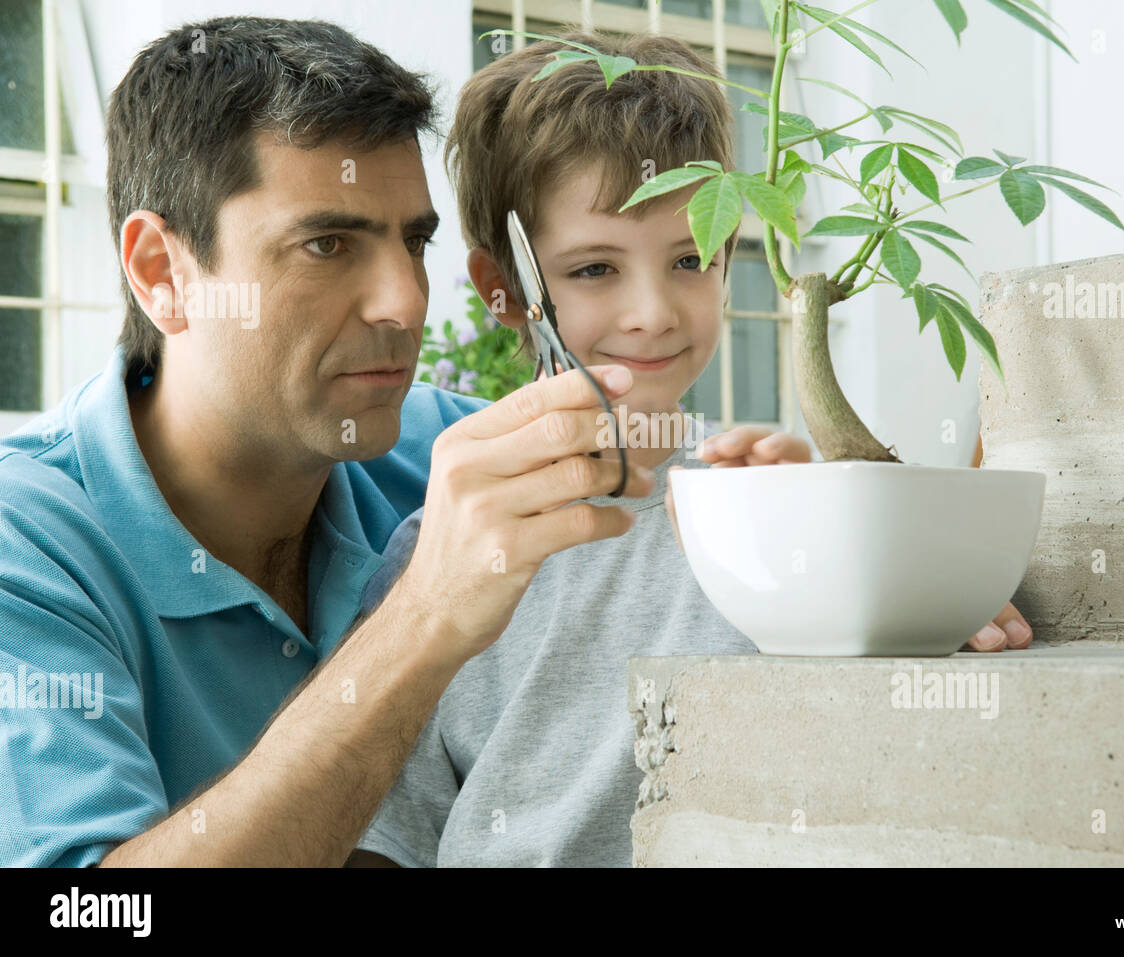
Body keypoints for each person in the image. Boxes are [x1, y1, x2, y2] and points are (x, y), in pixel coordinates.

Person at [0, 16, 788, 868]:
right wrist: (424, 618)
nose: (404, 302)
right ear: (161, 270)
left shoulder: (475, 459)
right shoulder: (27, 546)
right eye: (326, 243)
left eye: (412, 241)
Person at [339, 31, 1034, 868]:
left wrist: (908, 595)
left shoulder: (777, 499)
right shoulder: (441, 555)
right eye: (595, 269)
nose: (654, 312)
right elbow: (383, 845)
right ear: (506, 290)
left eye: (689, 259)